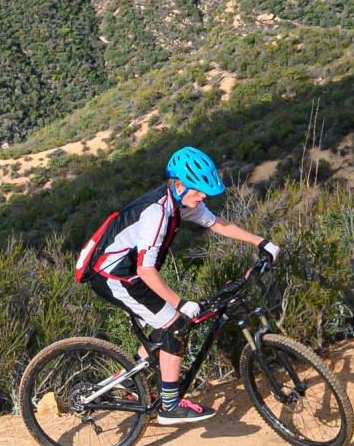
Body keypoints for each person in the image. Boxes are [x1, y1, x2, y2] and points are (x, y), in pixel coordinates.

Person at [80, 146, 280, 425]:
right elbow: (145, 269)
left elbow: (218, 224)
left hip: (131, 274)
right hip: (114, 276)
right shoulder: (157, 213)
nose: (203, 196)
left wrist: (261, 242)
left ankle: (129, 379)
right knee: (176, 322)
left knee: (167, 322)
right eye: (198, 190)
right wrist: (180, 303)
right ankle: (169, 407)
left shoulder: (181, 203)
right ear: (177, 184)